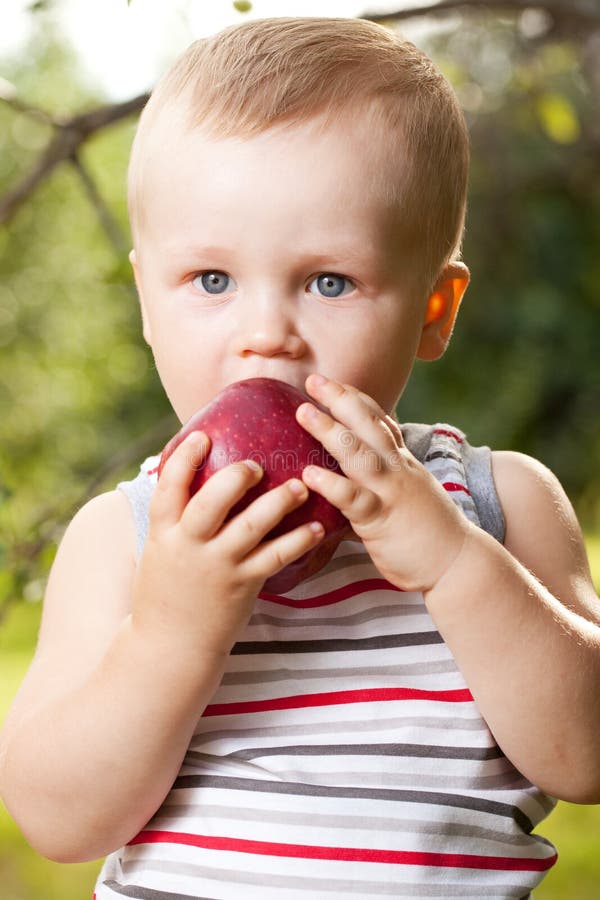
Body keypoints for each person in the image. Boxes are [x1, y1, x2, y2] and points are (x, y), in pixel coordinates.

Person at [1, 16, 599, 900]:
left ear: (433, 310)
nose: (266, 335)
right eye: (212, 280)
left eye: (329, 281)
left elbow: (585, 757)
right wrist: (170, 633)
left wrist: (454, 564)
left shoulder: (495, 503)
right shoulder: (125, 539)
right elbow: (58, 821)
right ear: (147, 303)